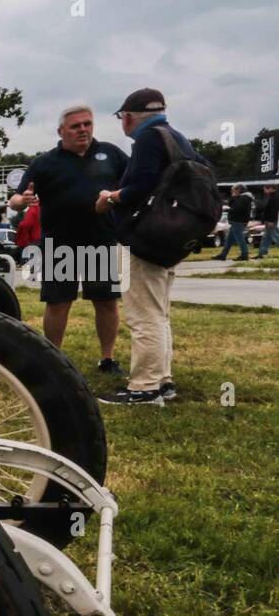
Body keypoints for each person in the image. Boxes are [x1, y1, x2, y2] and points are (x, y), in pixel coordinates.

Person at [94, 88, 207, 406]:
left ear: (128, 117)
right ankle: (163, 381)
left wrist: (111, 197)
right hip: (170, 237)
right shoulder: (177, 138)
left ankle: (144, 387)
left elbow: (140, 186)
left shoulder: (148, 140)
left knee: (144, 316)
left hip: (145, 239)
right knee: (159, 314)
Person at [9, 104, 129, 372]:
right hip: (59, 242)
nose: (83, 130)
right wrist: (23, 200)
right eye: (76, 126)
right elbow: (15, 199)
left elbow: (132, 187)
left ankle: (108, 359)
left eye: (88, 124)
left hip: (101, 240)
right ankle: (52, 361)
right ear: (61, 130)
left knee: (106, 301)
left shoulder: (111, 154)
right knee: (58, 303)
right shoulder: (45, 162)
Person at [219, 185, 254, 262]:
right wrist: (233, 197)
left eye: (234, 190)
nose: (233, 192)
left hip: (239, 221)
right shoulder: (240, 197)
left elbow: (237, 208)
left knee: (240, 239)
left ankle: (245, 254)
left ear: (239, 190)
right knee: (229, 239)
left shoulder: (245, 198)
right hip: (237, 221)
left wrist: (228, 210)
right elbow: (231, 204)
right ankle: (223, 254)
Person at [257, 184, 277, 258]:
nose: (264, 191)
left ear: (271, 188)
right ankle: (261, 253)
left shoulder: (275, 197)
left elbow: (274, 210)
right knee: (266, 238)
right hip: (269, 220)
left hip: (271, 221)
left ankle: (261, 253)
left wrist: (272, 221)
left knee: (276, 237)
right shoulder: (272, 196)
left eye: (265, 189)